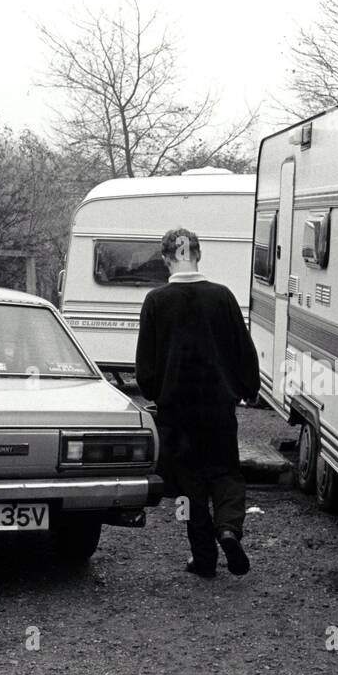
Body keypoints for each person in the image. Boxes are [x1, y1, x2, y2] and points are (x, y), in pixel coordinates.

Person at [135, 228, 260, 578]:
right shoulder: (222, 297)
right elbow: (243, 351)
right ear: (199, 254)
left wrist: (154, 391)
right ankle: (230, 529)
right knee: (226, 474)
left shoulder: (156, 302)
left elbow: (145, 364)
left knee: (188, 488)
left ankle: (202, 557)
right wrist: (248, 387)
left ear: (165, 259)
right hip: (218, 408)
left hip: (177, 412)